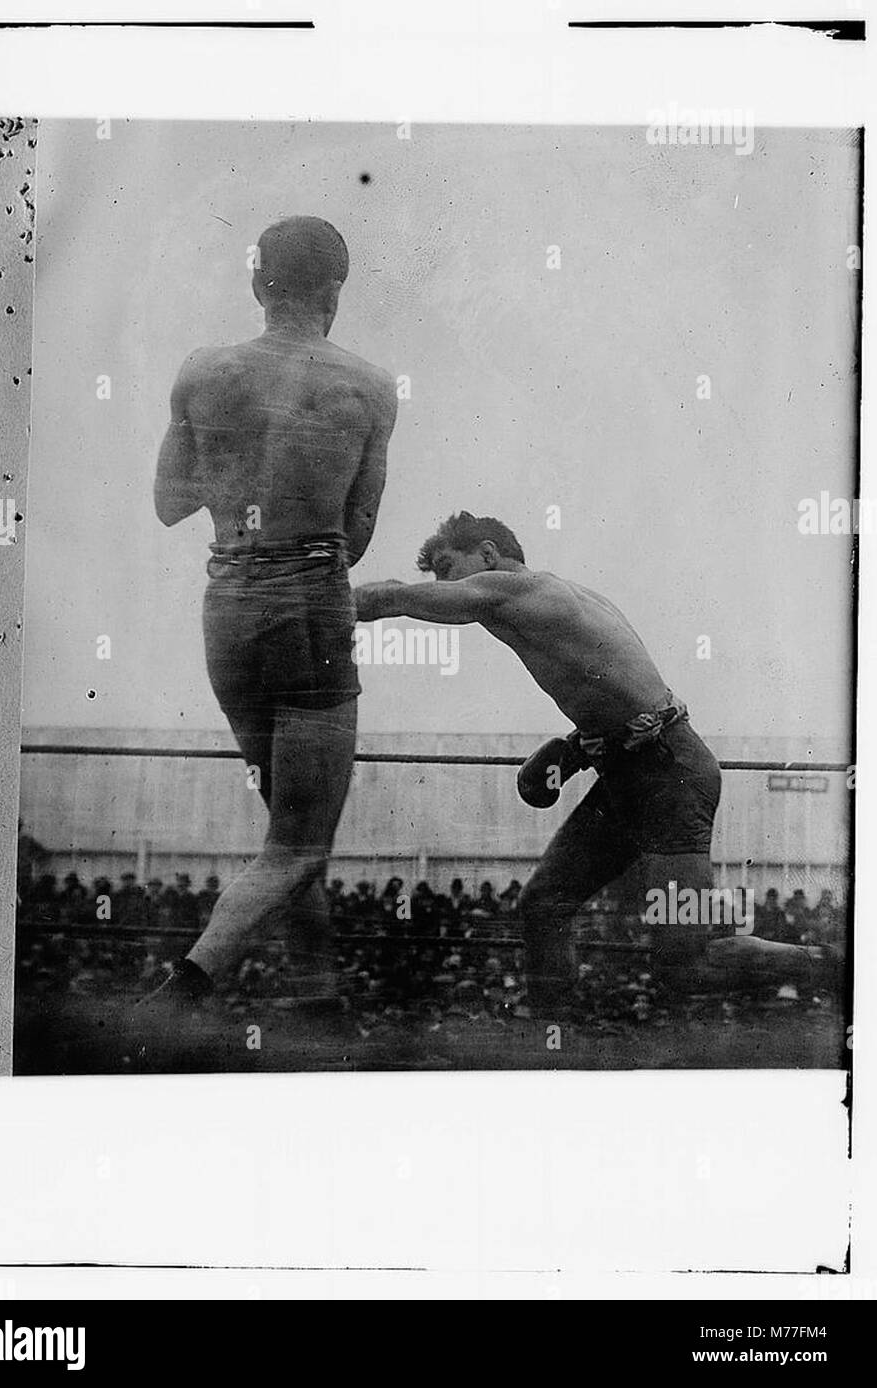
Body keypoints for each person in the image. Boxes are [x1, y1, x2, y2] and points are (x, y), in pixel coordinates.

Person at [147, 216, 397, 1016]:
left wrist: (238, 477)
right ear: (336, 291)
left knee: (284, 828)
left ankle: (315, 996)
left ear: (259, 284)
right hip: (309, 598)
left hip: (226, 602)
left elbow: (167, 503)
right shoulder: (369, 386)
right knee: (298, 841)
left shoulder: (202, 371)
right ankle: (186, 987)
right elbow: (357, 534)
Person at [354, 511, 726, 1010]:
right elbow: (621, 695)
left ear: (488, 554)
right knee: (544, 905)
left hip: (670, 773)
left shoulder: (526, 591)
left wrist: (334, 600)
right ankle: (554, 1037)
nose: (443, 585)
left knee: (685, 965)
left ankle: (823, 962)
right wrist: (578, 747)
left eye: (447, 568)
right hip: (632, 772)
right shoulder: (552, 606)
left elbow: (400, 598)